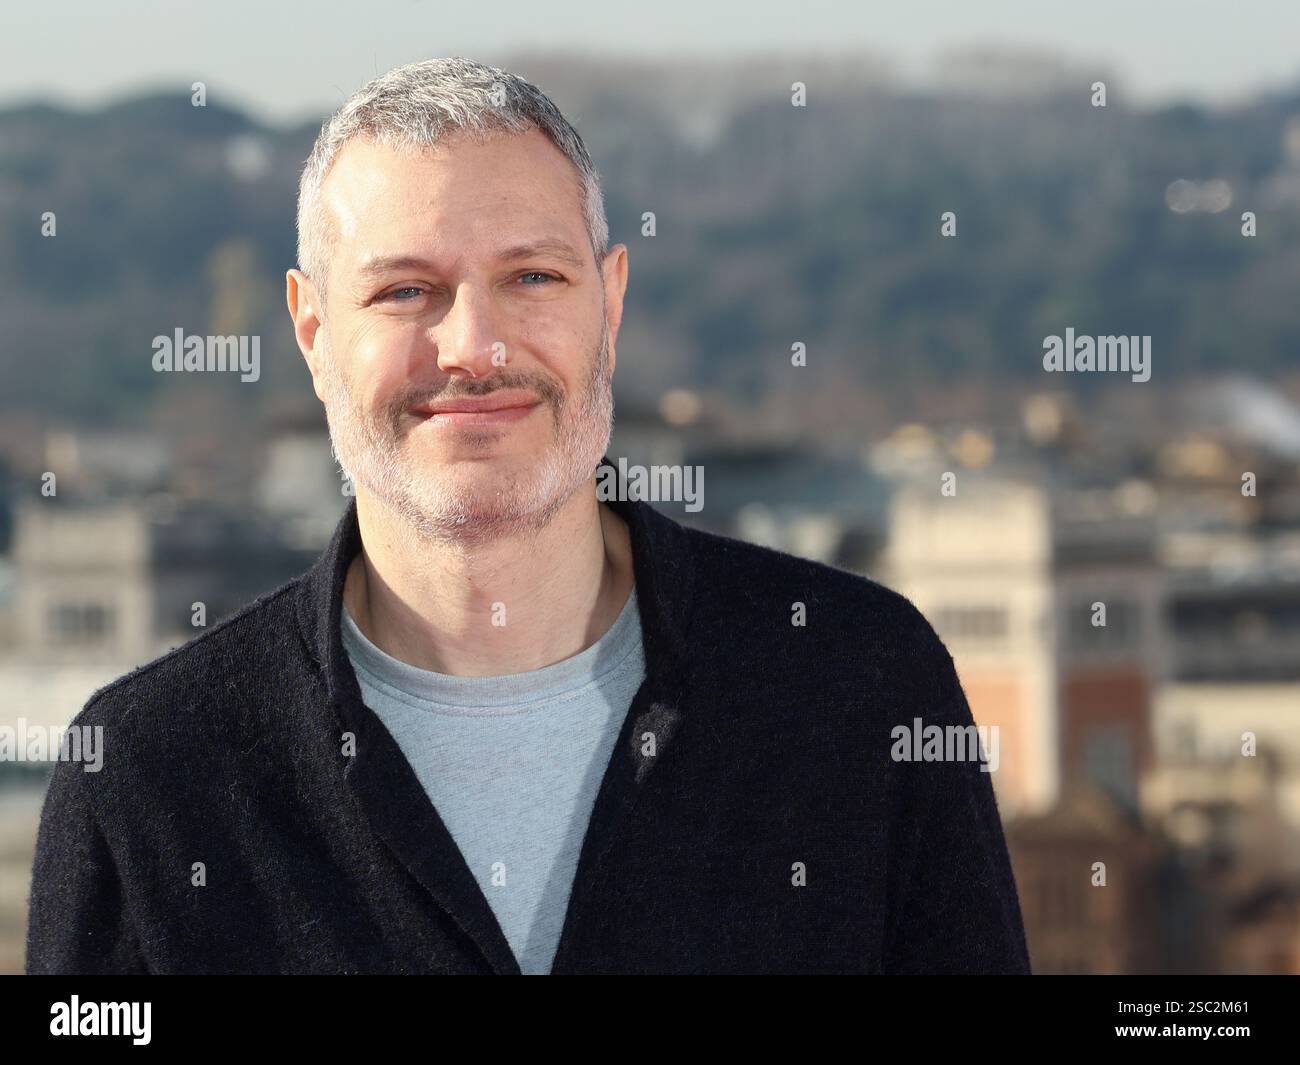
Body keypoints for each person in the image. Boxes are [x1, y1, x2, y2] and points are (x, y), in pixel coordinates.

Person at [26, 57, 1030, 975]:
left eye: (533, 278)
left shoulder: (856, 682)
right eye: (407, 289)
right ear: (312, 330)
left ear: (613, 303)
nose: (474, 345)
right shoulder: (152, 772)